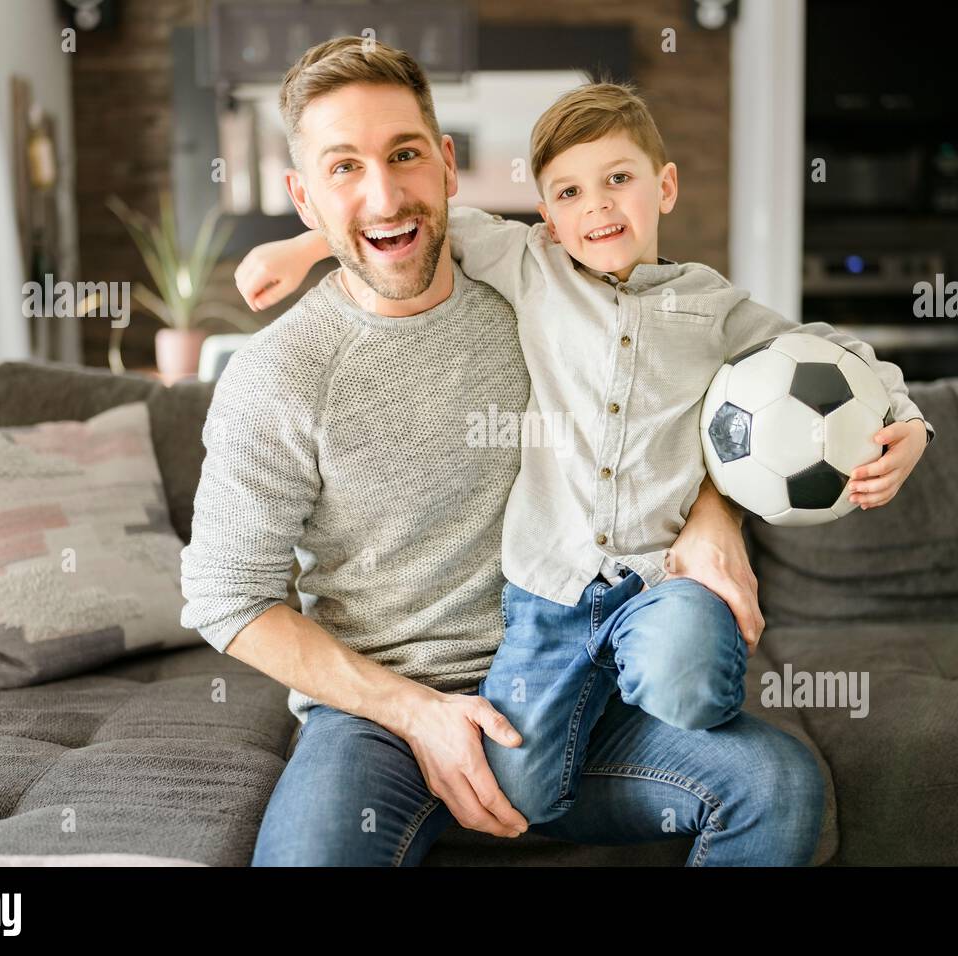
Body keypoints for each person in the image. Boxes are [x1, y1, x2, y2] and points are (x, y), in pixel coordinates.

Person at [183, 35, 828, 866]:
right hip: (380, 721)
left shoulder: (548, 293)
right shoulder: (278, 375)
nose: (384, 196)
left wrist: (715, 513)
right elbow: (226, 597)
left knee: (779, 786)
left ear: (448, 165)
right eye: (344, 168)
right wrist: (418, 713)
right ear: (303, 197)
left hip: (580, 687)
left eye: (404, 154)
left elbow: (694, 394)